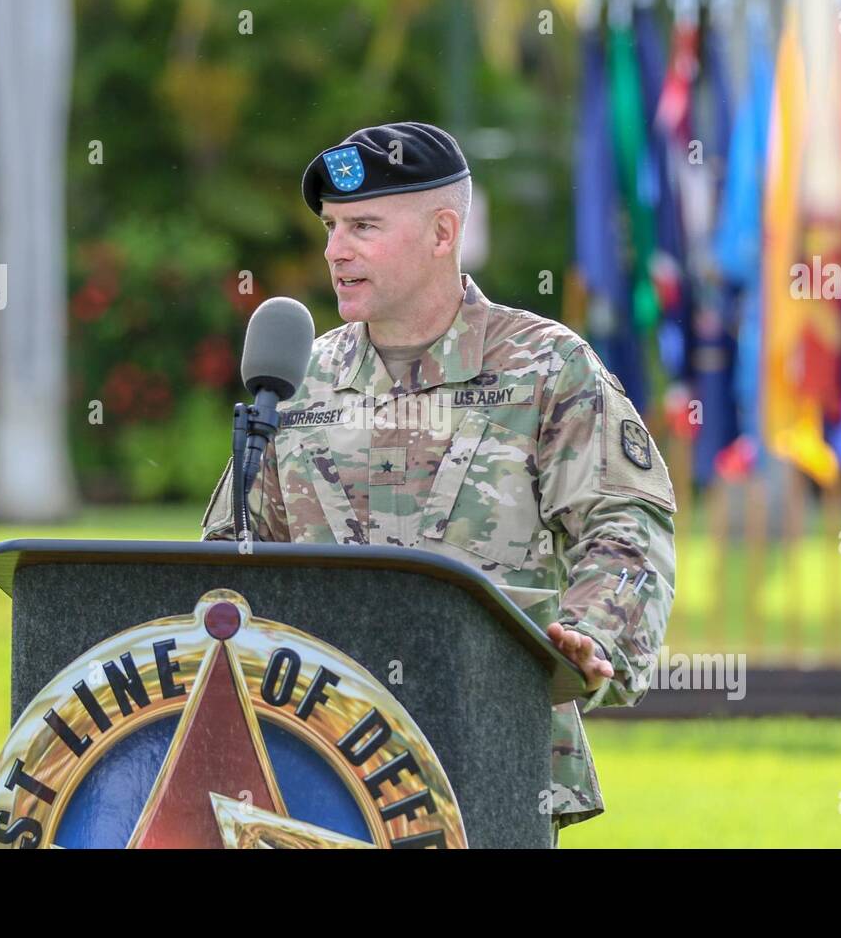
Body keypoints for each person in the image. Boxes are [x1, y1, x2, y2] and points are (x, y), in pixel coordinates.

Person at [202, 121, 676, 846]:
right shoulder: (297, 378)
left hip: (488, 760)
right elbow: (222, 560)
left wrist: (589, 634)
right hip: (303, 764)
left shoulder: (545, 368)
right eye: (332, 228)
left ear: (442, 231)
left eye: (363, 225)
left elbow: (628, 526)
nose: (335, 250)